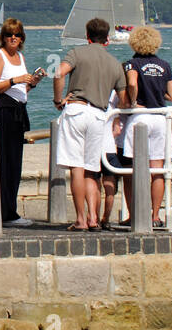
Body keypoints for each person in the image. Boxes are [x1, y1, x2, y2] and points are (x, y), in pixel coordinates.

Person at [53, 18, 128, 231]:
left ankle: (81, 219)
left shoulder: (77, 53)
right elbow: (123, 100)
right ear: (107, 39)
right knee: (91, 170)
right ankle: (94, 218)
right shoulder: (114, 63)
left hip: (76, 110)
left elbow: (59, 72)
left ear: (87, 35)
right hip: (98, 115)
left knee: (76, 168)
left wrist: (58, 99)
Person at [0, 17, 44, 227]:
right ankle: (3, 211)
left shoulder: (20, 56)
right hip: (2, 111)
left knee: (14, 163)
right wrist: (14, 80)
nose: (13, 38)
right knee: (3, 162)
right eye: (10, 35)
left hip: (18, 111)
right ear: (3, 37)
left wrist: (32, 83)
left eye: (17, 35)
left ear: (21, 38)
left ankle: (10, 209)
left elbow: (21, 90)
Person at [121, 25, 172, 228]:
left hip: (140, 117)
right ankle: (155, 215)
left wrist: (134, 100)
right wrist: (156, 92)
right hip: (159, 118)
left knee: (132, 169)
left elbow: (132, 83)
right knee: (157, 169)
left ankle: (134, 214)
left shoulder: (131, 64)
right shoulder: (164, 65)